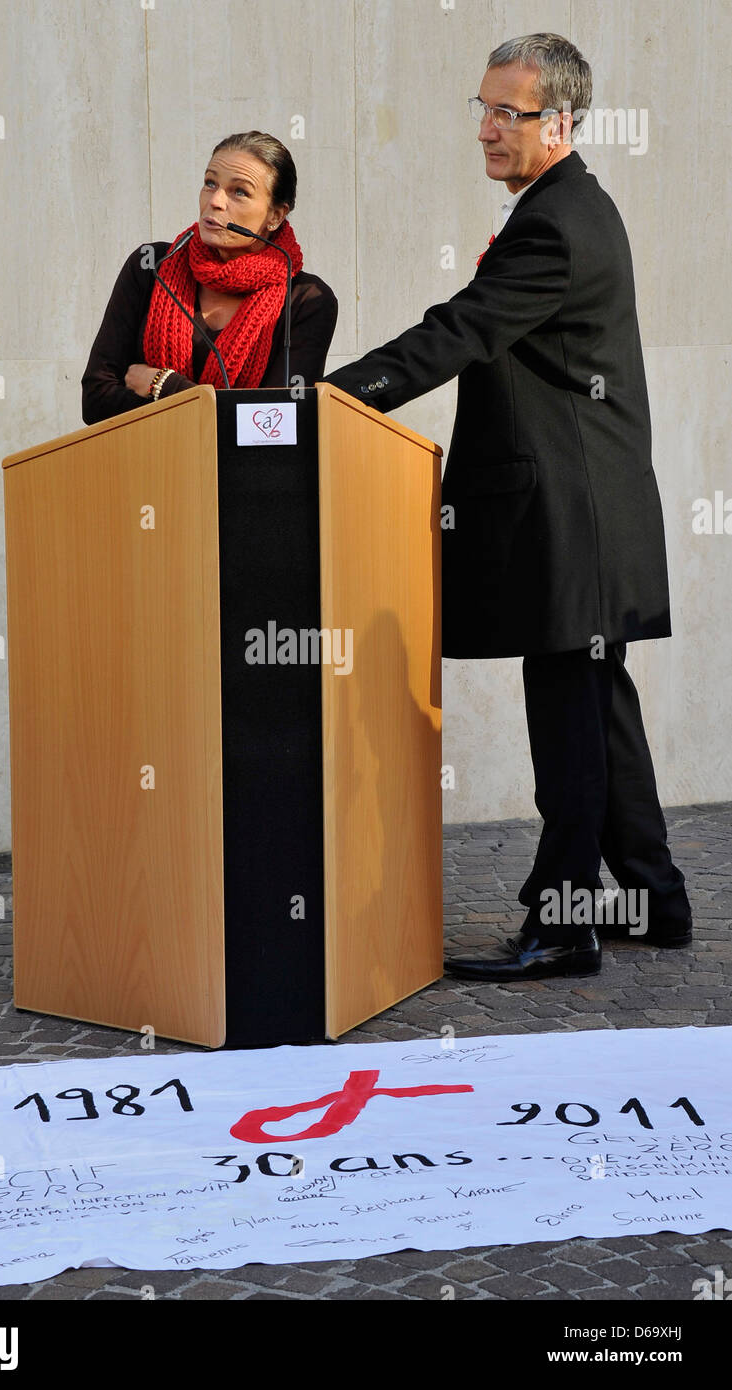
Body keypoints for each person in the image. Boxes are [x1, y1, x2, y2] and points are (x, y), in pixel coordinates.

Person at [324, 33, 691, 981]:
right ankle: (652, 898)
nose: (486, 129)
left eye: (507, 114)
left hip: (569, 522)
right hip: (590, 514)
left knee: (569, 719)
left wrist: (333, 397)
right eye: (481, 109)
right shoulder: (571, 207)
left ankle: (563, 925)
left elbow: (461, 329)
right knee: (598, 710)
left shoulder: (554, 222)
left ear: (558, 122)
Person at [82, 131, 337, 423]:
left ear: (275, 216)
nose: (215, 201)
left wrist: (166, 387)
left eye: (239, 191)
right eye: (210, 183)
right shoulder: (151, 268)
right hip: (145, 464)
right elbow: (95, 401)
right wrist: (225, 413)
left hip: (241, 471)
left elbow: (274, 424)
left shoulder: (307, 300)